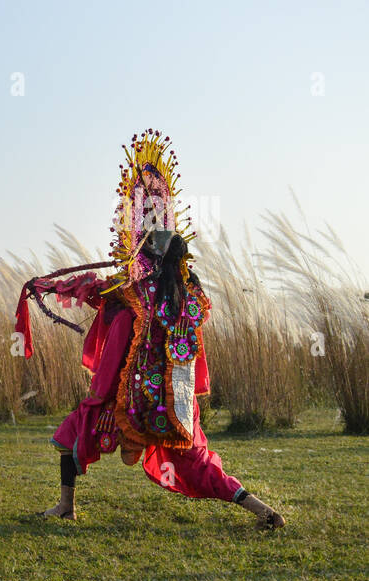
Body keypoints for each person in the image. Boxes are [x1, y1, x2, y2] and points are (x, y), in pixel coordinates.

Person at [16, 130, 284, 530]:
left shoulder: (134, 292)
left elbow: (92, 288)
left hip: (125, 401)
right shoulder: (186, 296)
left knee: (70, 433)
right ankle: (262, 510)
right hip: (173, 406)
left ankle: (66, 505)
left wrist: (46, 287)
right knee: (198, 463)